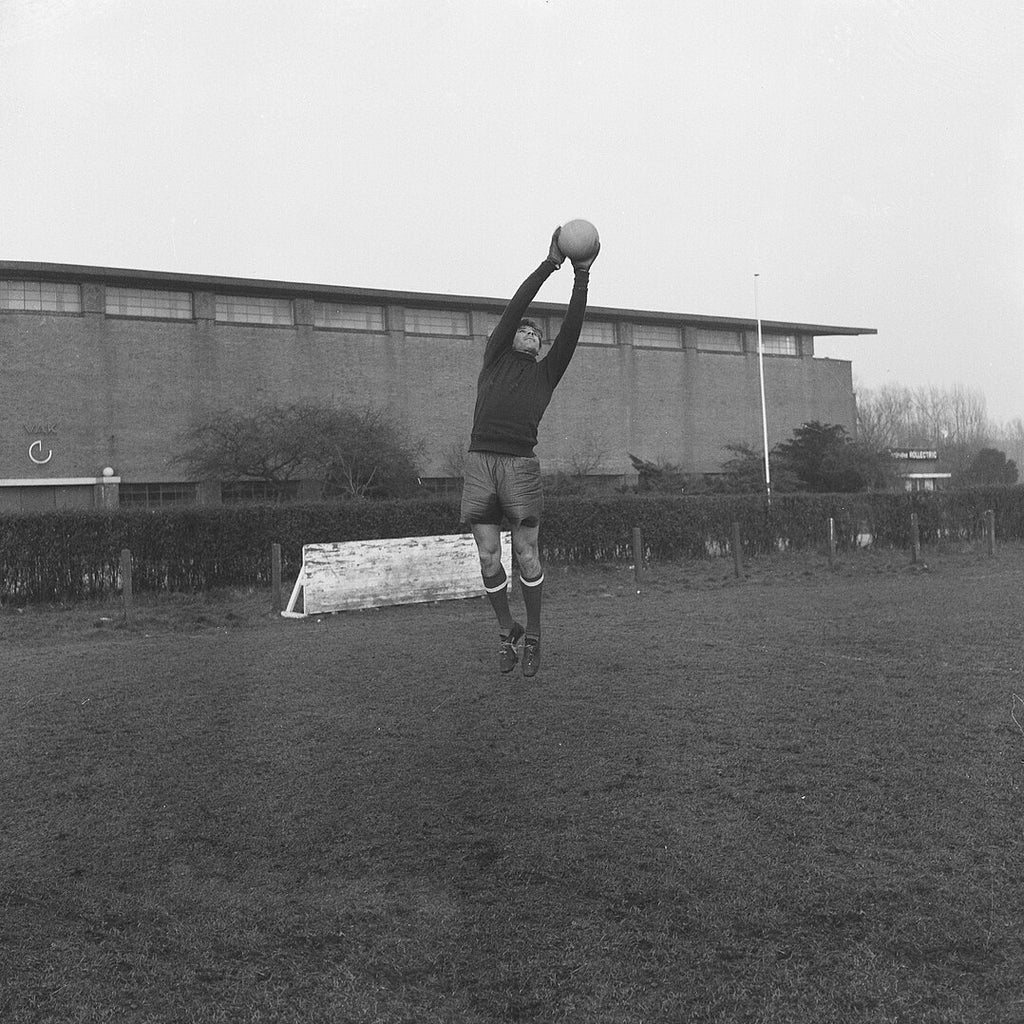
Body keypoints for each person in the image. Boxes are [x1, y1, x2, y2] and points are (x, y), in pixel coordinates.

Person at [460, 226, 600, 677]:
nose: (529, 333)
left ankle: (535, 634)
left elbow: (571, 329)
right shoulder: (494, 357)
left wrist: (581, 275)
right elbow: (517, 305)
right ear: (509, 338)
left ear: (540, 347)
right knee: (487, 555)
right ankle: (508, 631)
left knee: (526, 553)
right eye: (523, 330)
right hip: (480, 462)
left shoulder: (545, 374)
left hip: (520, 466)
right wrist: (550, 264)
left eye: (536, 334)